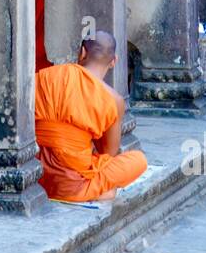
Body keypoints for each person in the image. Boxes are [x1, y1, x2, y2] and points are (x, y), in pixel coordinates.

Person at [35, 29, 148, 204]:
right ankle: (89, 192)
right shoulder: (114, 99)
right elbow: (108, 153)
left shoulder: (46, 76)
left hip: (35, 177)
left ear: (82, 53)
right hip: (71, 185)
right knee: (138, 160)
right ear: (113, 62)